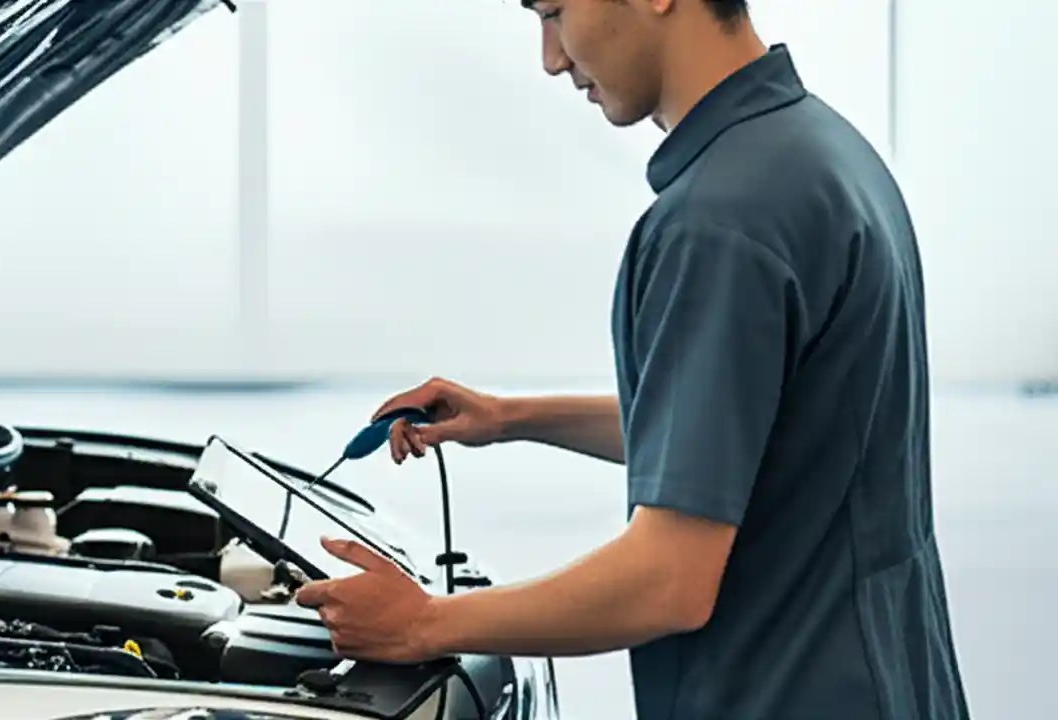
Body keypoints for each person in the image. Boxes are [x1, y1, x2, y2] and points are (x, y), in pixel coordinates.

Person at [294, 1, 971, 718]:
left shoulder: (719, 221)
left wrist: (422, 621)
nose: (551, 57)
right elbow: (745, 431)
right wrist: (510, 417)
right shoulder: (821, 153)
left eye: (554, 12)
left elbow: (667, 578)